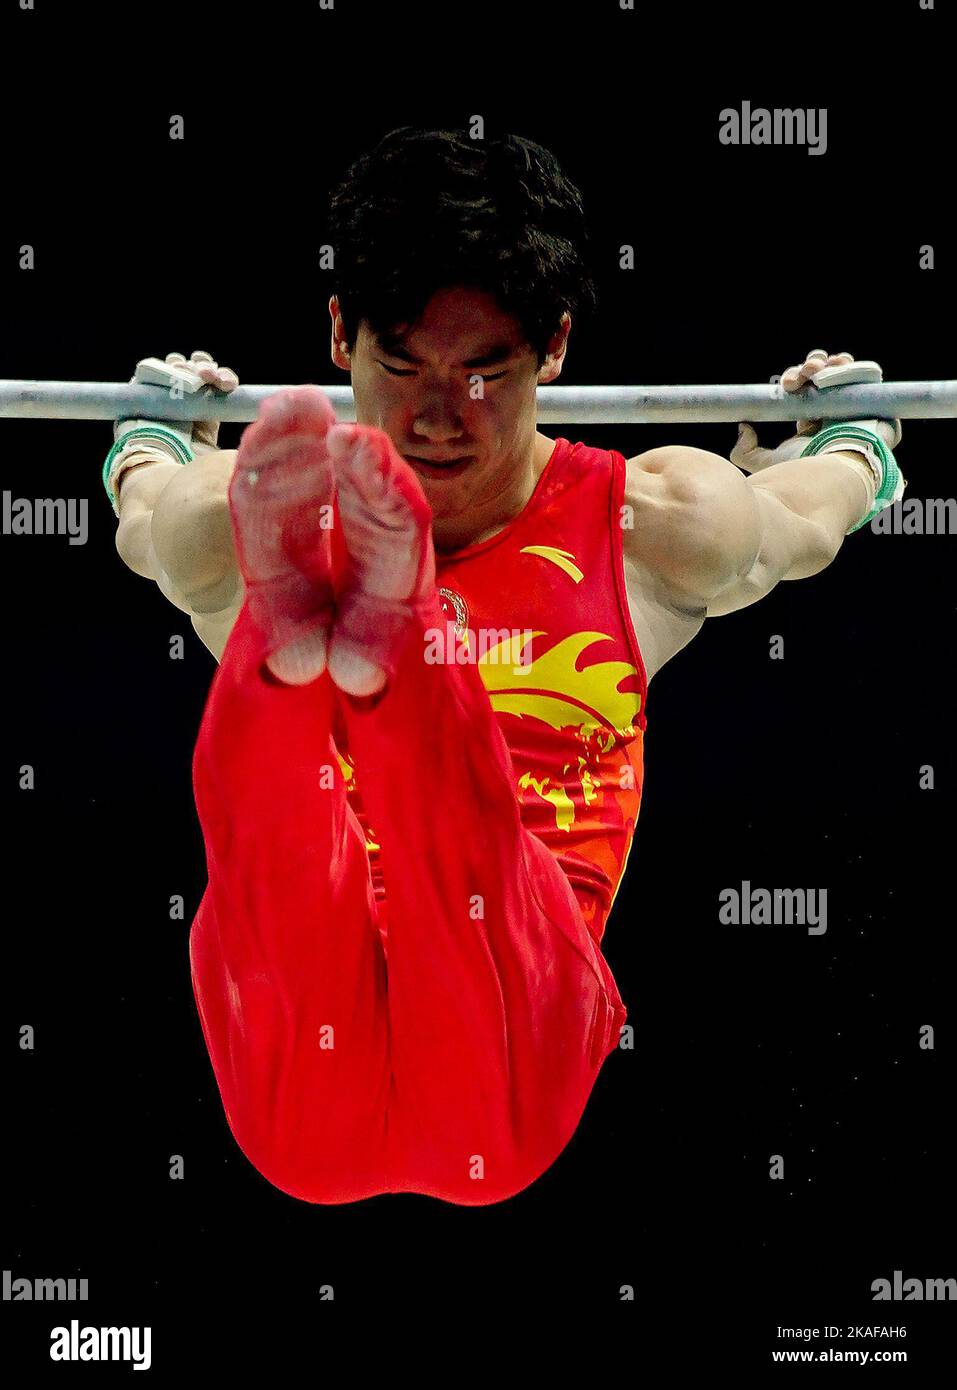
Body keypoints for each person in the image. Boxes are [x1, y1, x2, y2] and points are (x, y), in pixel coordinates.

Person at [104, 128, 903, 1206]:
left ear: (555, 346)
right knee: (277, 849)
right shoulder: (236, 515)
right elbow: (150, 510)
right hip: (305, 1070)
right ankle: (332, 645)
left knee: (467, 857)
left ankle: (359, 642)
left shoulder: (650, 526)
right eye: (402, 364)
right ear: (337, 332)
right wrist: (150, 434)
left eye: (486, 373)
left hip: (506, 1047)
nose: (439, 417)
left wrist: (851, 437)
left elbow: (803, 521)